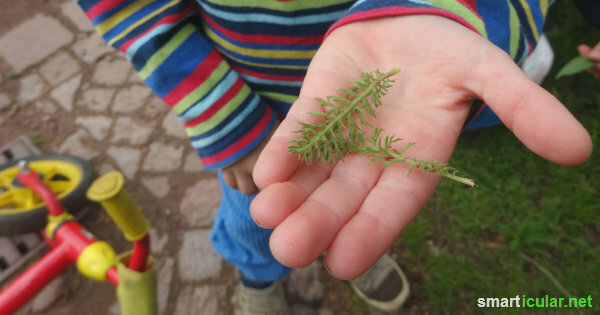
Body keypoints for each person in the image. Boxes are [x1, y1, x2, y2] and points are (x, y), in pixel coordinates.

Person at [76, 1, 592, 314]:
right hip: (251, 107)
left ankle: (346, 257)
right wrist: (225, 118)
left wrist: (439, 7)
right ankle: (257, 278)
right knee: (254, 213)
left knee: (352, 209)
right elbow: (130, 9)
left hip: (376, 91)